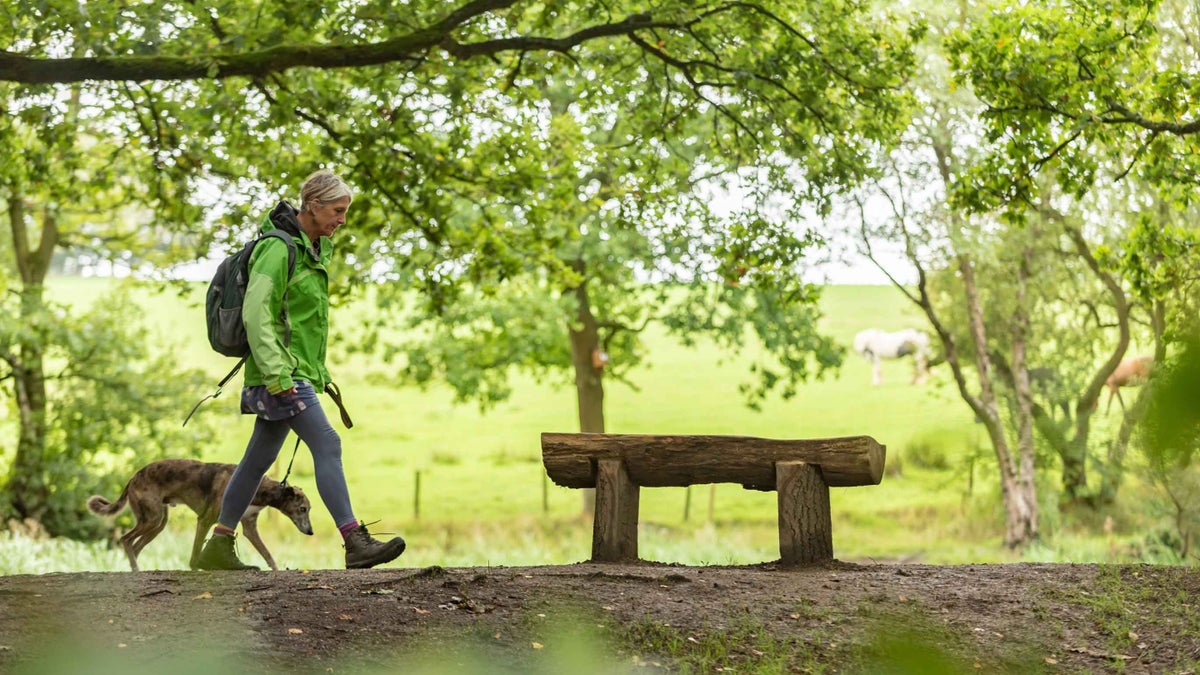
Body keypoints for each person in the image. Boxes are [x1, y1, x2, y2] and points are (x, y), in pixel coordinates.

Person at [196, 170, 406, 571]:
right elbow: (257, 315)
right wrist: (278, 375)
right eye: (337, 210)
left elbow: (302, 323)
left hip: (294, 373)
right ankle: (354, 541)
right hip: (280, 374)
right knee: (327, 444)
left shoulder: (310, 251)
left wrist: (317, 373)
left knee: (256, 461)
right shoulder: (278, 250)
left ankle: (218, 545)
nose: (342, 219)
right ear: (313, 205)